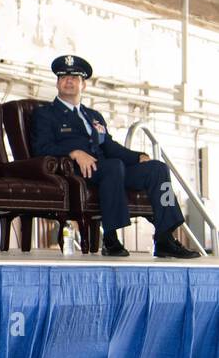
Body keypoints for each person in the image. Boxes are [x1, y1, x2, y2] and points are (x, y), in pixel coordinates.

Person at [30, 55, 199, 259]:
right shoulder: (46, 114)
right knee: (113, 166)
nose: (68, 80)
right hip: (75, 171)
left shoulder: (93, 116)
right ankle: (110, 239)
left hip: (108, 168)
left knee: (157, 168)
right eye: (64, 77)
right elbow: (41, 147)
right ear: (57, 82)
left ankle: (164, 238)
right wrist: (73, 153)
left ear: (83, 84)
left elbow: (109, 146)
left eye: (74, 77)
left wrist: (138, 157)